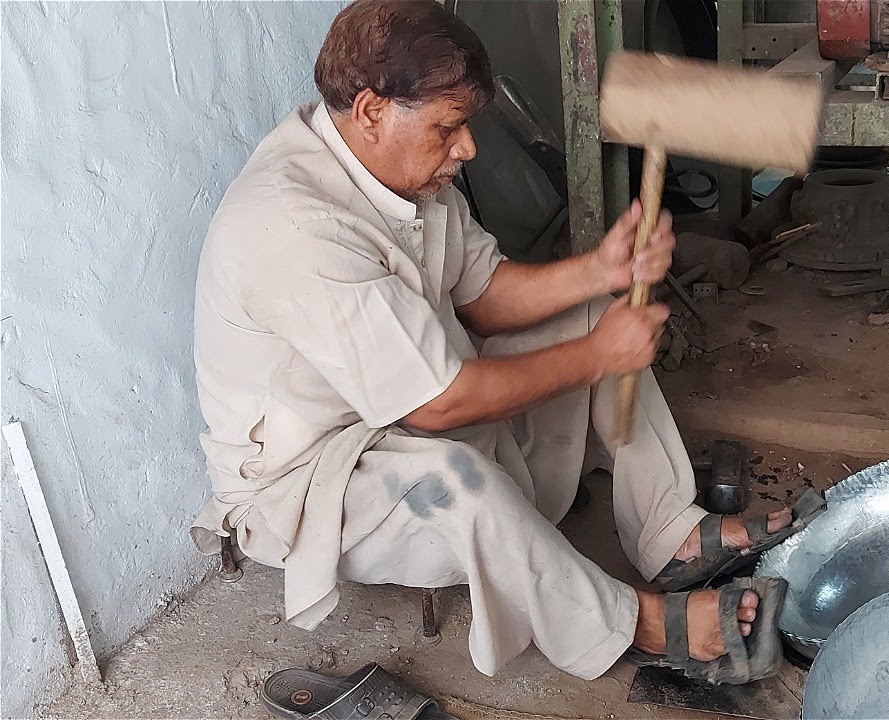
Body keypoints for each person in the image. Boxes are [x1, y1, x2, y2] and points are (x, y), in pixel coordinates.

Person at [190, 0, 807, 685]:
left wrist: (602, 269)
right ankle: (642, 622)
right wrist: (599, 356)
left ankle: (670, 532)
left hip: (398, 405)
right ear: (369, 111)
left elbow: (482, 295)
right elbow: (439, 406)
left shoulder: (401, 168)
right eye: (449, 128)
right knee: (455, 479)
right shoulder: (298, 228)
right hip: (313, 477)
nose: (468, 148)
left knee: (590, 313)